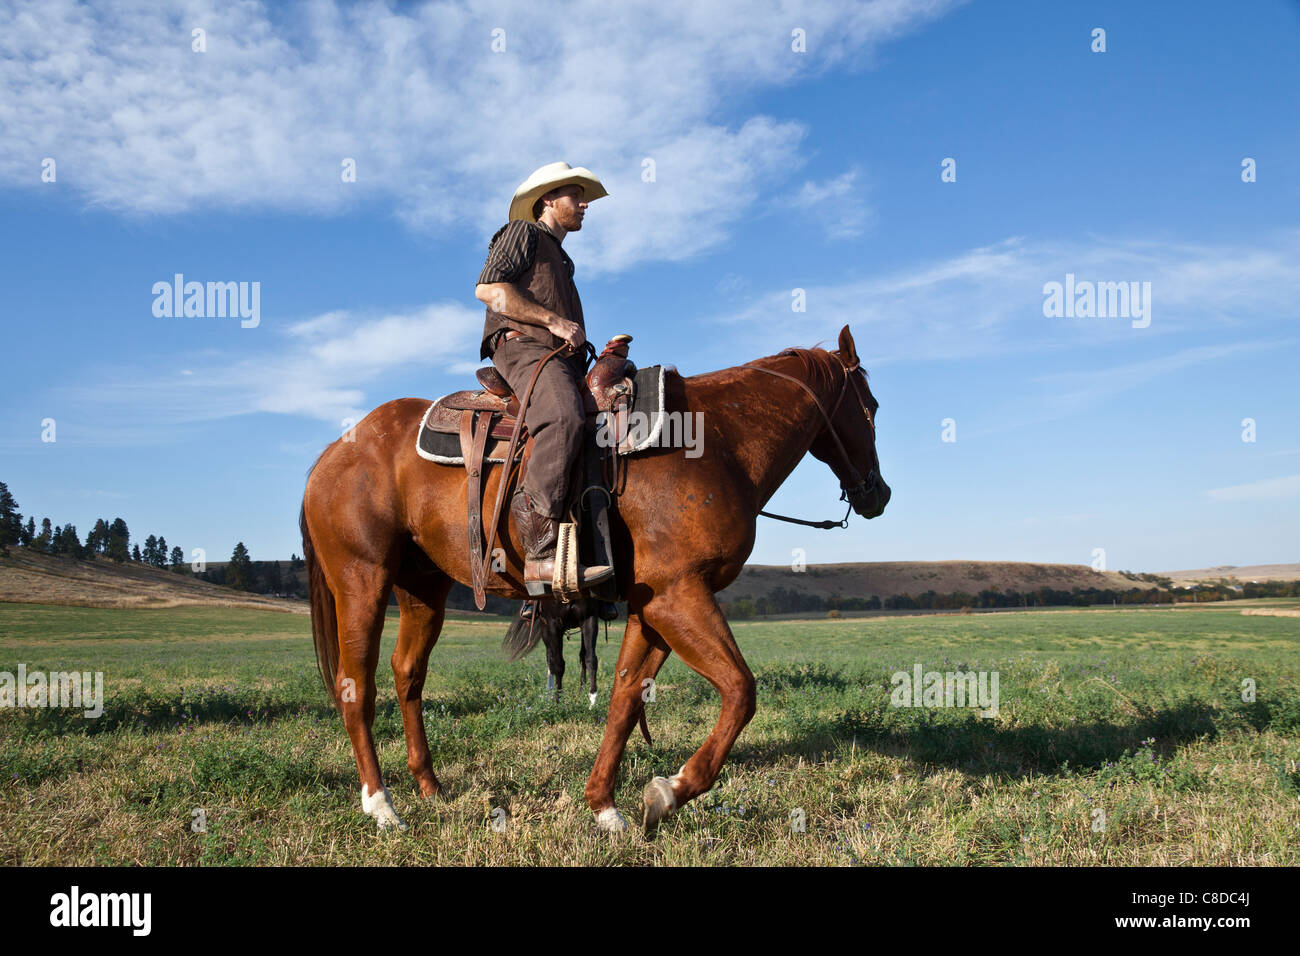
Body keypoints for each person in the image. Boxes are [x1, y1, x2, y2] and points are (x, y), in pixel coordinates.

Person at [474, 162, 615, 609]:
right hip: (521, 345)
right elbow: (489, 290)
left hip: (555, 354)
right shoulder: (523, 232)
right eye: (577, 196)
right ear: (549, 200)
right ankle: (538, 549)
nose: (585, 204)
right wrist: (555, 321)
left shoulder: (562, 257)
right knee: (562, 415)